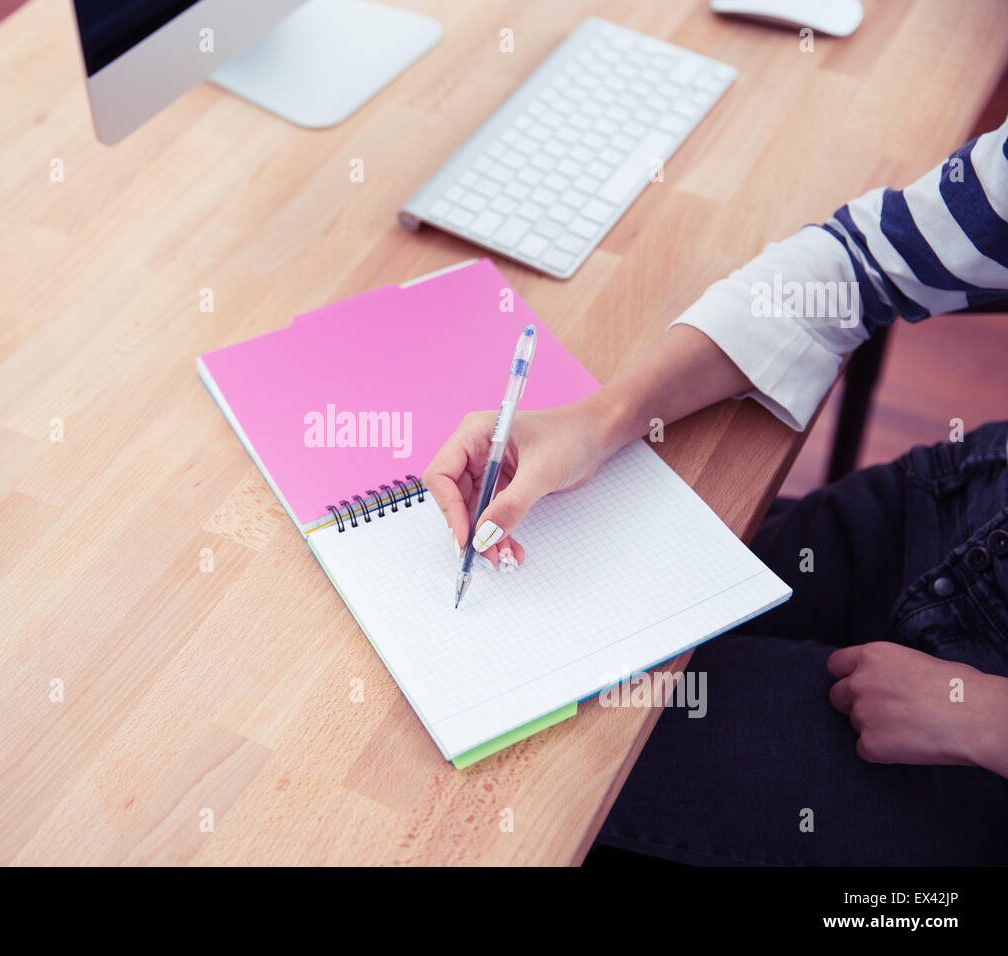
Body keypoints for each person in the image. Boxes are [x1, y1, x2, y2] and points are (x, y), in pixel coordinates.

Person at [425, 115, 1008, 864]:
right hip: (970, 511)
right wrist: (603, 418)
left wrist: (988, 720)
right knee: (630, 610)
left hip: (981, 760)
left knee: (550, 760)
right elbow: (857, 263)